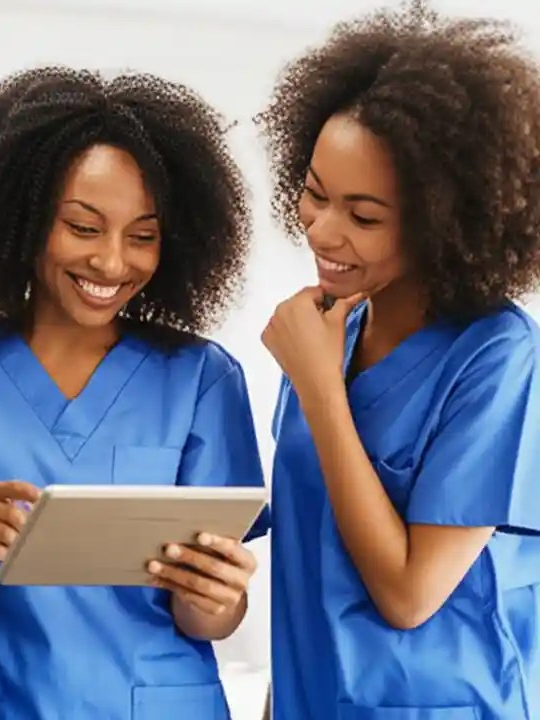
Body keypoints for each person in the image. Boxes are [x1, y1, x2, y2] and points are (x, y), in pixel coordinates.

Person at [0, 66, 269, 719]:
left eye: (142, 236)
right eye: (83, 228)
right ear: (21, 221)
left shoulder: (203, 378)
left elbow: (207, 622)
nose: (112, 263)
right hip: (1, 701)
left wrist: (220, 598)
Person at [256, 5, 540, 718]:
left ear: (444, 221)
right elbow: (307, 571)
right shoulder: (329, 337)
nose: (323, 230)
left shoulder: (498, 357)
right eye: (315, 195)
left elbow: (410, 594)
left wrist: (319, 390)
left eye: (364, 215)